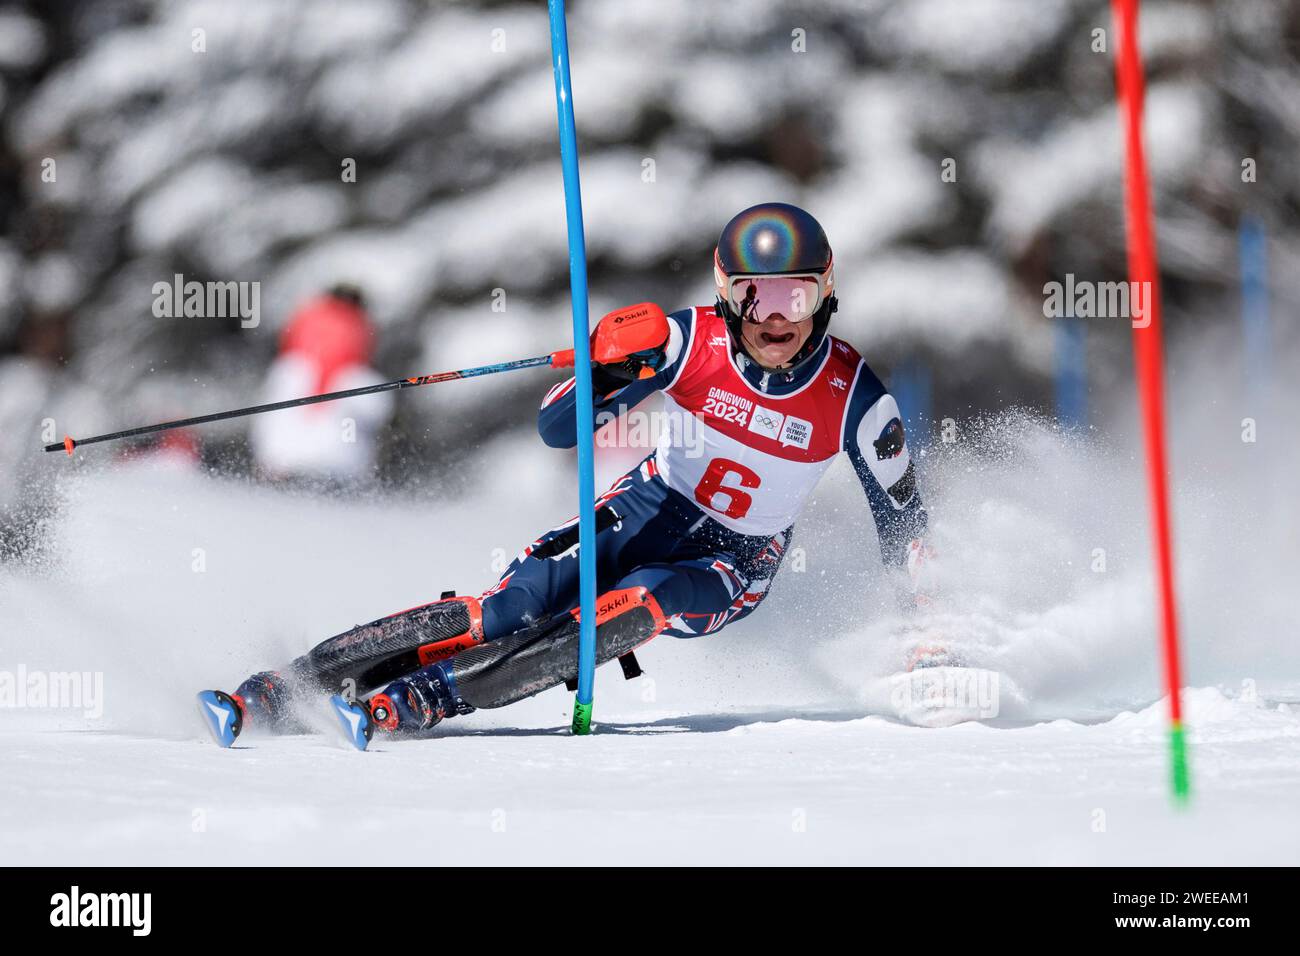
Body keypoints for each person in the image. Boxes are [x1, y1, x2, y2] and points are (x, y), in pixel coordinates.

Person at [198, 203, 931, 748]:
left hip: (736, 558)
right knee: (510, 608)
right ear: (727, 293)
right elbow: (557, 428)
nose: (776, 321)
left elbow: (903, 520)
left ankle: (422, 699)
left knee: (639, 603)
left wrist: (925, 626)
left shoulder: (856, 397)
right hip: (653, 503)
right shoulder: (688, 340)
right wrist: (605, 365)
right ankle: (286, 685)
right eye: (756, 297)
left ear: (825, 291)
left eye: (794, 296)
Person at [249, 284, 392, 486]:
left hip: (284, 450)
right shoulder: (357, 338)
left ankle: (275, 467)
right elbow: (374, 407)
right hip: (337, 454)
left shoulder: (293, 360)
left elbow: (269, 416)